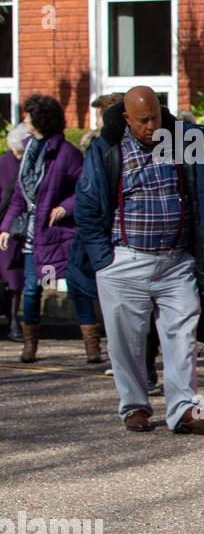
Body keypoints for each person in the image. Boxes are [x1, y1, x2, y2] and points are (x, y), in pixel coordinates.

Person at [75, 87, 204, 434]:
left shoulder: (182, 143)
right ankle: (134, 406)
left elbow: (203, 197)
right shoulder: (106, 148)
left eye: (155, 117)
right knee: (126, 343)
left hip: (176, 261)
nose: (151, 125)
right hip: (125, 261)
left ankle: (183, 409)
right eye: (143, 120)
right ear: (127, 118)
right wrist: (104, 260)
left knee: (183, 338)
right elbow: (87, 207)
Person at [0, 94, 101, 364]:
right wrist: (7, 226)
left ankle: (92, 347)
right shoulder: (29, 151)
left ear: (40, 120)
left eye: (28, 116)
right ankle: (30, 345)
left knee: (77, 288)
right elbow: (19, 195)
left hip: (61, 235)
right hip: (34, 236)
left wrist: (65, 207)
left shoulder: (67, 153)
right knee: (32, 289)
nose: (25, 120)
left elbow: (86, 188)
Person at [0, 124, 28, 340]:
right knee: (10, 276)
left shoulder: (34, 161)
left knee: (43, 277)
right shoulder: (4, 163)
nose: (20, 155)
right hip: (7, 229)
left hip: (30, 227)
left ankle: (24, 321)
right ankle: (12, 322)